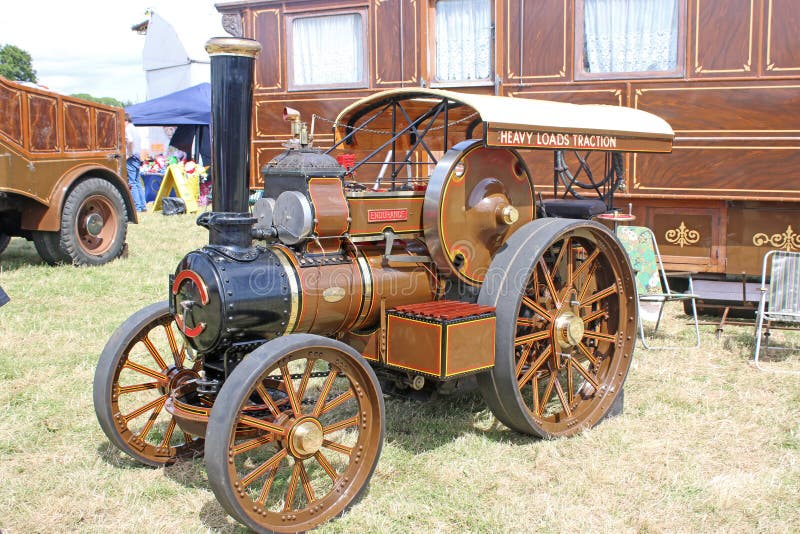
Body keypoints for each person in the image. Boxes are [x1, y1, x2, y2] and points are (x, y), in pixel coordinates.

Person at [125, 114, 147, 212]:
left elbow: (130, 141)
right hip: (137, 156)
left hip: (131, 157)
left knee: (132, 182)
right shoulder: (135, 128)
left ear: (125, 121)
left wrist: (128, 154)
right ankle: (143, 206)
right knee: (137, 182)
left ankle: (137, 207)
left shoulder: (128, 129)